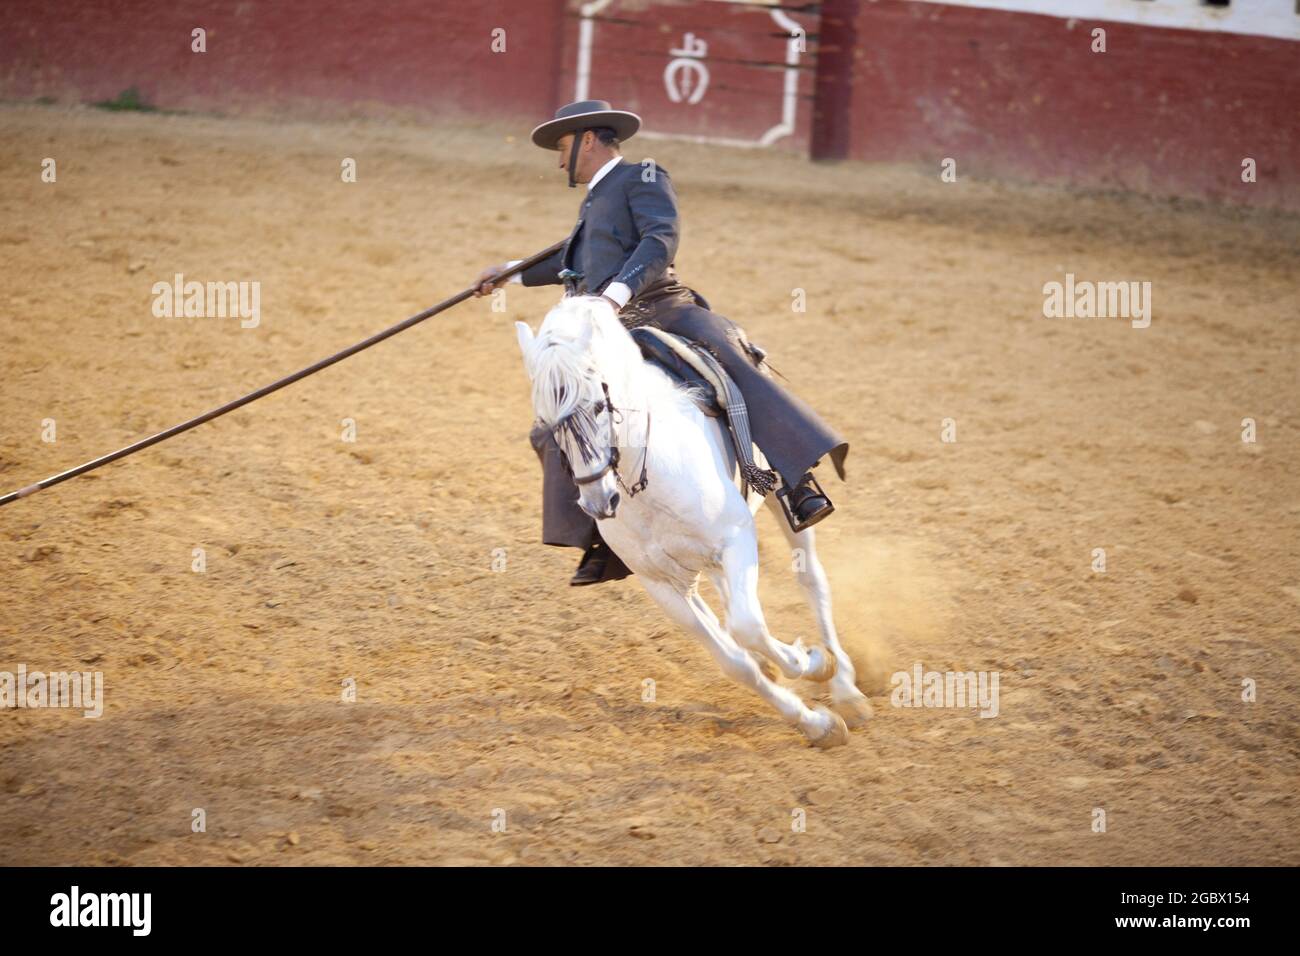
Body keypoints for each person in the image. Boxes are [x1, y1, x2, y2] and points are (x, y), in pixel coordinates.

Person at [477, 100, 847, 586]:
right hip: (609, 329)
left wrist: (613, 296)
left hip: (660, 306)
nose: (556, 160)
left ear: (588, 140)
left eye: (562, 147)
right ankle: (600, 534)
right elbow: (574, 263)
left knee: (725, 352)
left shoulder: (643, 176)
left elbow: (659, 240)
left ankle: (797, 481)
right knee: (557, 421)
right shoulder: (593, 202)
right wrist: (510, 274)